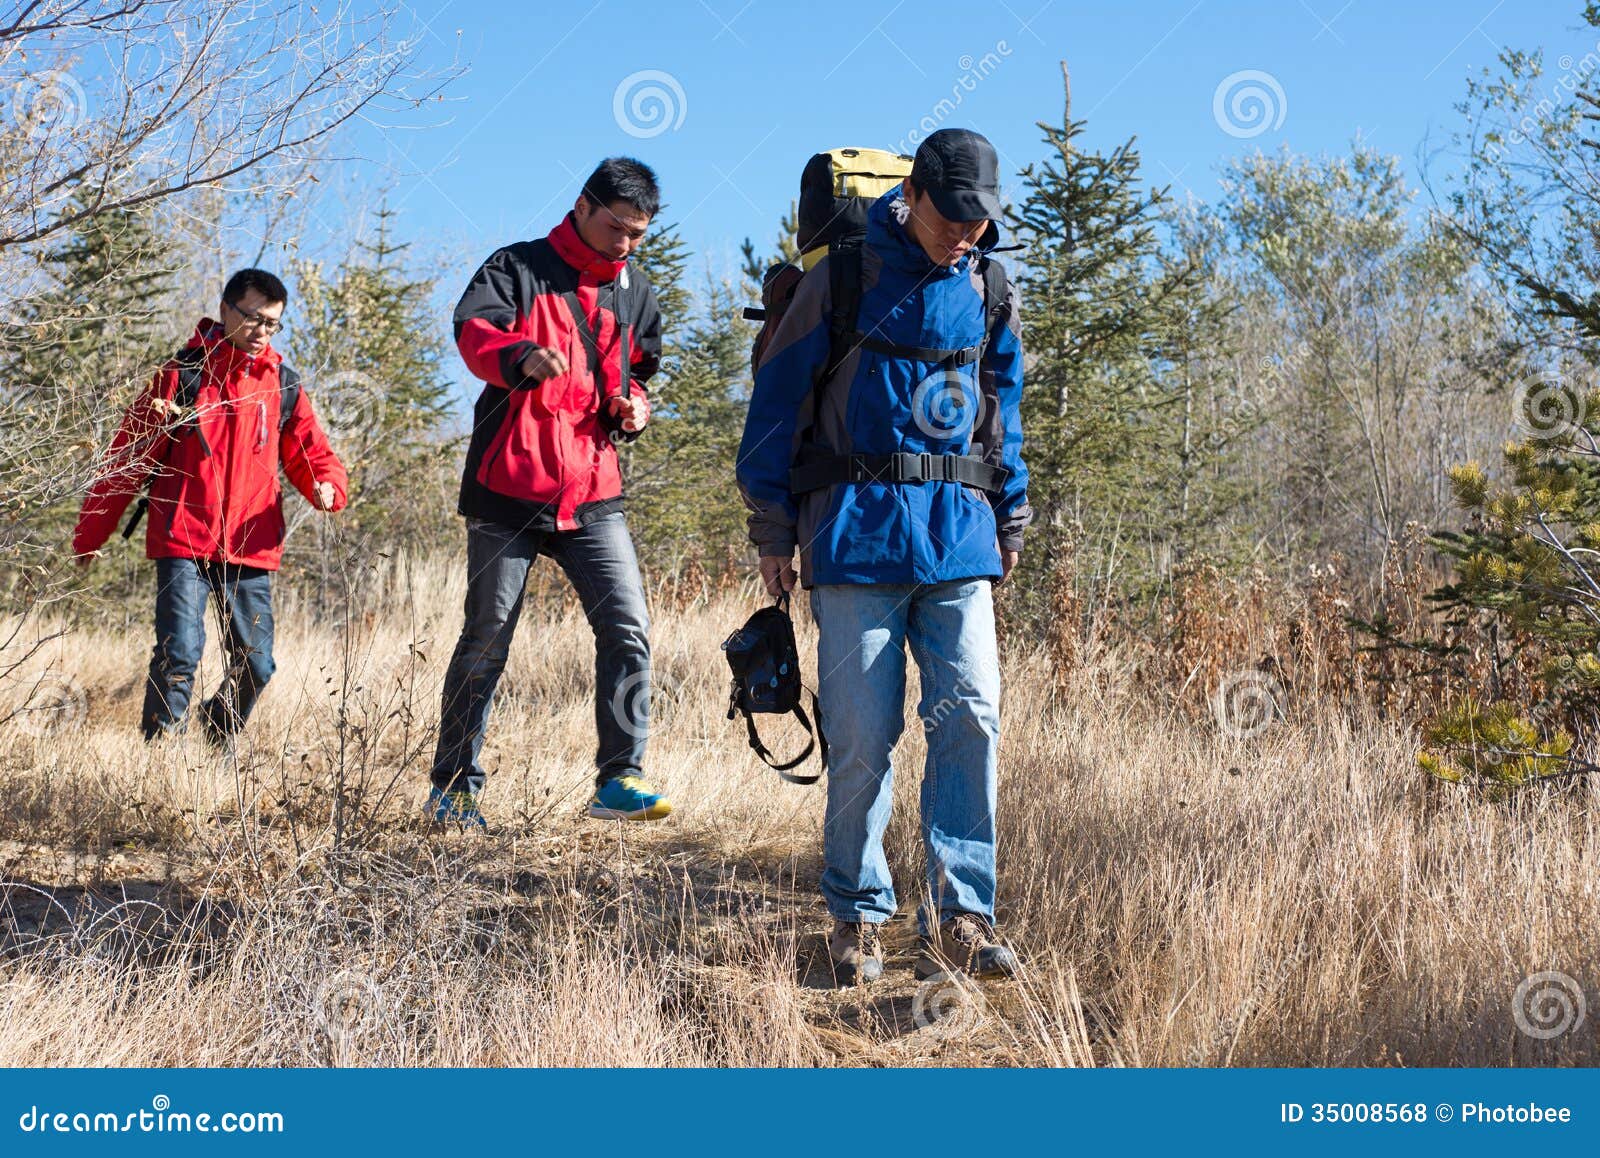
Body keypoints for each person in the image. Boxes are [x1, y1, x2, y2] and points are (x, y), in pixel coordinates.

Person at [736, 129, 1031, 985]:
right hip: (853, 537)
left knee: (971, 715)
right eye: (952, 216)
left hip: (958, 537)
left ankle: (963, 916)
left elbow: (1002, 411)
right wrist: (773, 530)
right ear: (913, 195)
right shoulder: (840, 279)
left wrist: (1010, 515)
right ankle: (857, 914)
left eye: (980, 220)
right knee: (863, 734)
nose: (965, 233)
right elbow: (776, 409)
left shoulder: (989, 286)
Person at [431, 156, 668, 829]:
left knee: (629, 628)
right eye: (617, 227)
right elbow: (473, 332)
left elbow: (637, 371)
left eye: (638, 234)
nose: (626, 244)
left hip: (593, 490)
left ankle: (619, 779)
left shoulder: (636, 292)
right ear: (583, 206)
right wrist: (519, 357)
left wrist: (633, 406)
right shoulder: (516, 267)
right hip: (507, 488)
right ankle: (453, 789)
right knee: (486, 638)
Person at [72, 269, 349, 742]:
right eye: (254, 318)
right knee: (179, 654)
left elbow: (313, 455)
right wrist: (90, 536)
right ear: (225, 309)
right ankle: (163, 759)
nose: (262, 331)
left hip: (251, 545)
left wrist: (327, 487)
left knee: (257, 665)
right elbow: (126, 460)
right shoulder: (180, 376)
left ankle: (217, 725)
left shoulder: (283, 385)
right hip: (183, 538)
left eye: (273, 323)